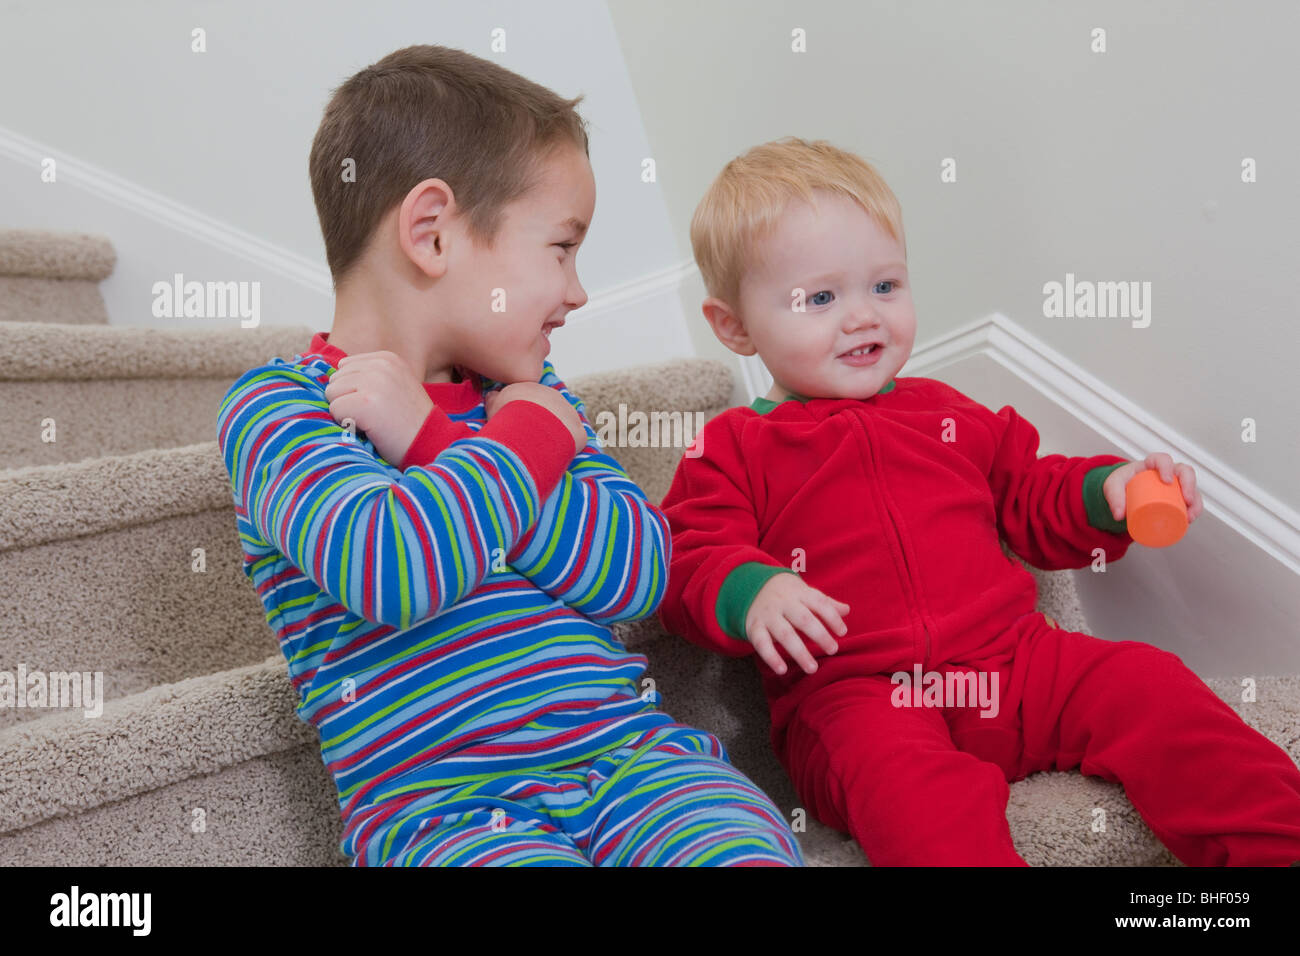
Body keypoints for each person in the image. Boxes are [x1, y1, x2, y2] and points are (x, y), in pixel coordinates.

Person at [215, 46, 803, 867]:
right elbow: (394, 567)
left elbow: (635, 572)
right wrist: (511, 445)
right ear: (431, 234)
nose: (577, 291)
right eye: (561, 248)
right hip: (444, 809)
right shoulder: (283, 411)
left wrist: (441, 439)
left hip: (634, 766)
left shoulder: (533, 404)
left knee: (736, 844)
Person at [658, 135, 1300, 866]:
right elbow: (684, 556)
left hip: (1013, 662)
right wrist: (755, 588)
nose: (864, 316)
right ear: (734, 326)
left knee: (1148, 685)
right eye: (822, 298)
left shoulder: (946, 414)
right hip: (858, 700)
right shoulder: (735, 446)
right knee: (917, 794)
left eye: (885, 287)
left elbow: (1031, 493)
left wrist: (1107, 491)